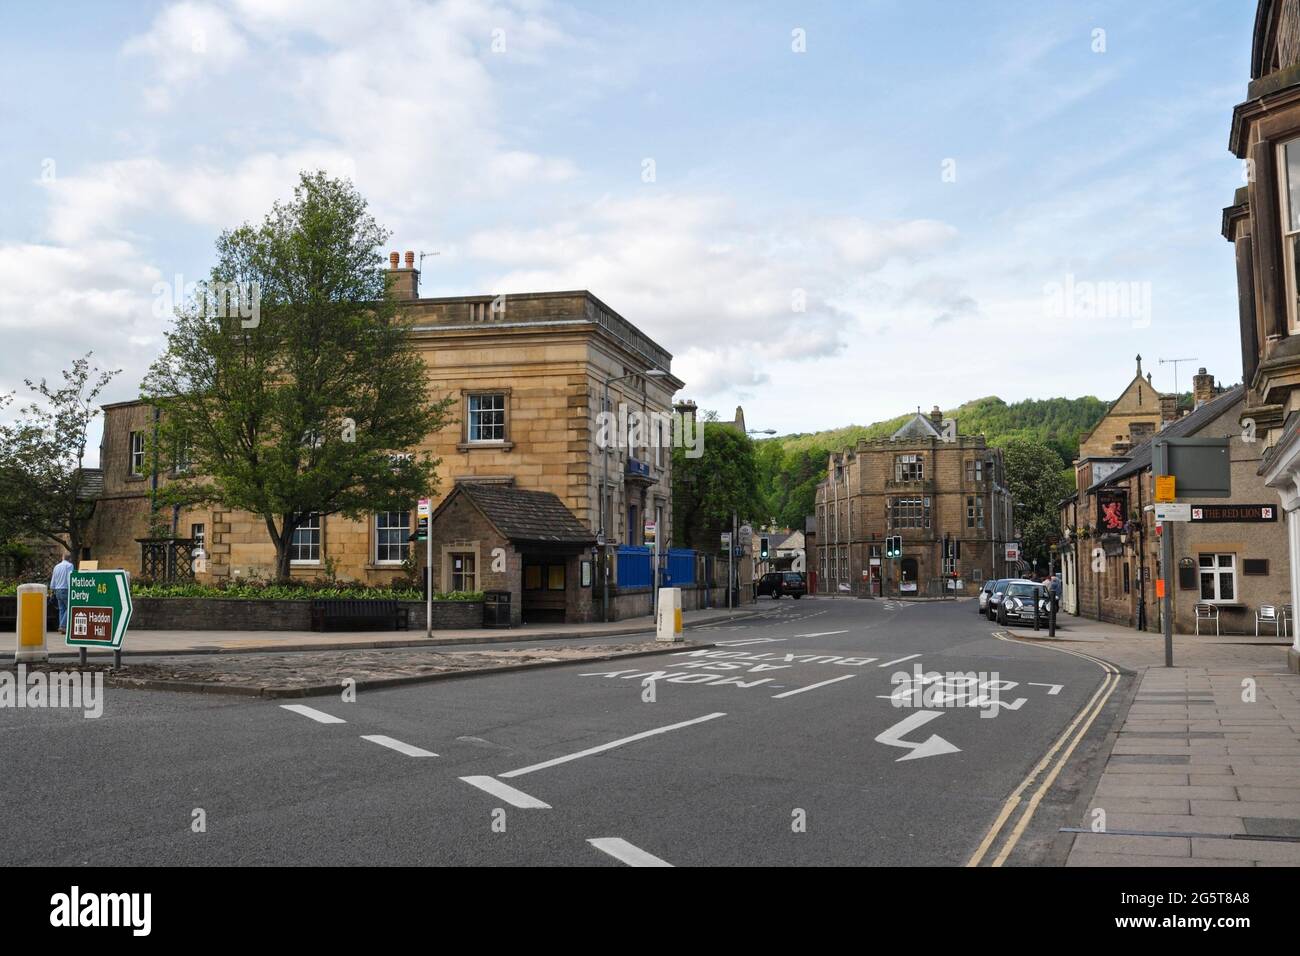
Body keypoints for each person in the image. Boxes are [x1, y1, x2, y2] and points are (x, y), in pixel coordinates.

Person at [49, 552, 74, 634]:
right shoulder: (70, 566)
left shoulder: (56, 566)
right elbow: (70, 578)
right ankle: (63, 626)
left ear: (63, 557)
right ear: (69, 559)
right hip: (66, 589)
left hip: (57, 590)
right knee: (70, 608)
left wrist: (52, 589)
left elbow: (53, 579)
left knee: (61, 609)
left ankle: (62, 627)